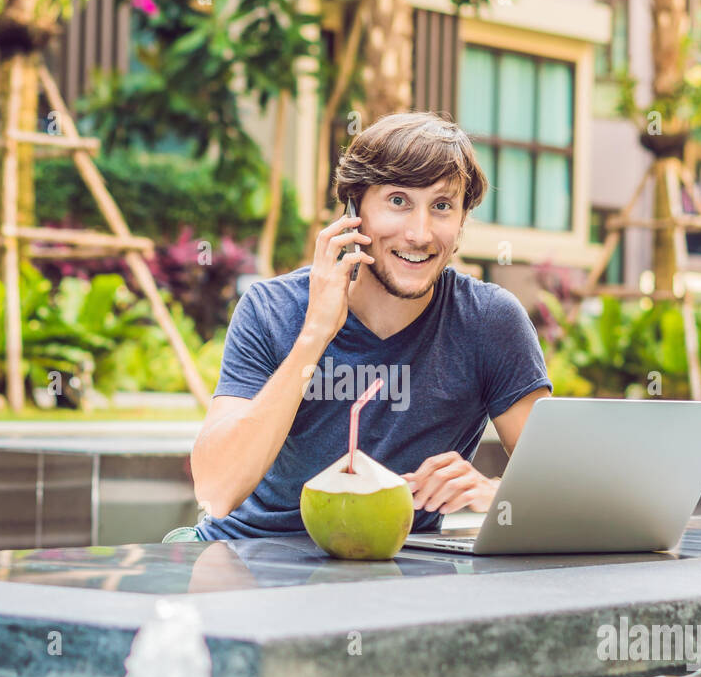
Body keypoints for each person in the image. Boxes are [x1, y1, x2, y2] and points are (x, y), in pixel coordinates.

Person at [179, 111, 552, 542]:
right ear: (355, 210)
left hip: (394, 570)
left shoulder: (489, 322)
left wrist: (494, 493)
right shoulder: (272, 308)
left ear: (462, 221)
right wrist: (315, 333)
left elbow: (566, 492)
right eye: (398, 201)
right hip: (247, 554)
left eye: (442, 206)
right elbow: (216, 490)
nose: (420, 233)